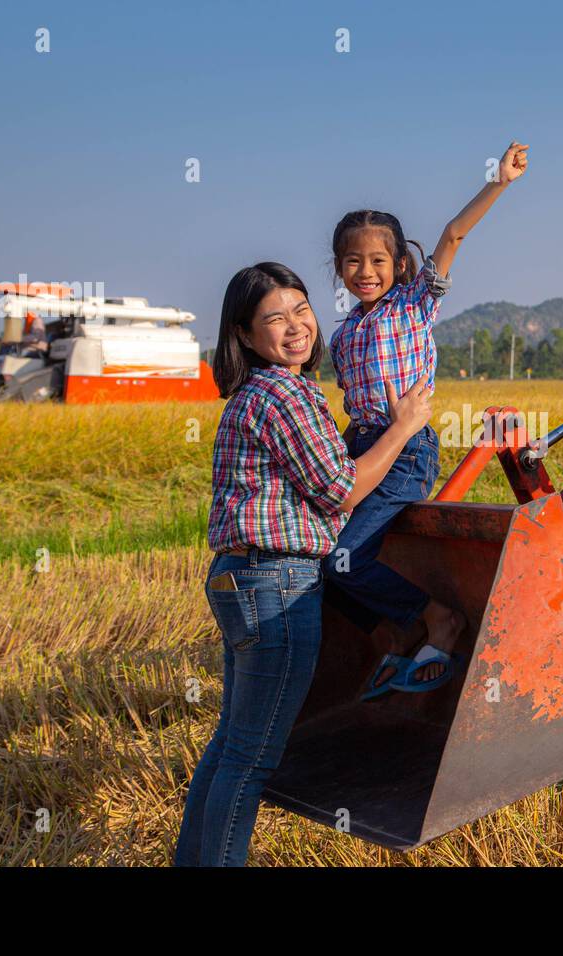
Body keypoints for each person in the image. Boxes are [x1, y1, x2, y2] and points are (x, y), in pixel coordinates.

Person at [174, 261, 431, 867]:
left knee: (230, 746)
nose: (295, 327)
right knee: (252, 759)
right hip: (279, 583)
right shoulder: (283, 395)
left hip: (240, 577)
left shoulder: (255, 395)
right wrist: (402, 429)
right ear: (243, 334)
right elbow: (341, 490)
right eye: (274, 319)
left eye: (301, 310)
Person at [326, 140, 529, 696]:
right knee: (321, 558)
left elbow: (454, 234)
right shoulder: (342, 336)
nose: (364, 271)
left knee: (345, 558)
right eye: (352, 261)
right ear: (338, 267)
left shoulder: (414, 305)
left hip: (406, 451)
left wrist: (500, 180)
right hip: (360, 448)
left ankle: (439, 618)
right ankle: (395, 638)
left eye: (376, 260)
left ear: (400, 265)